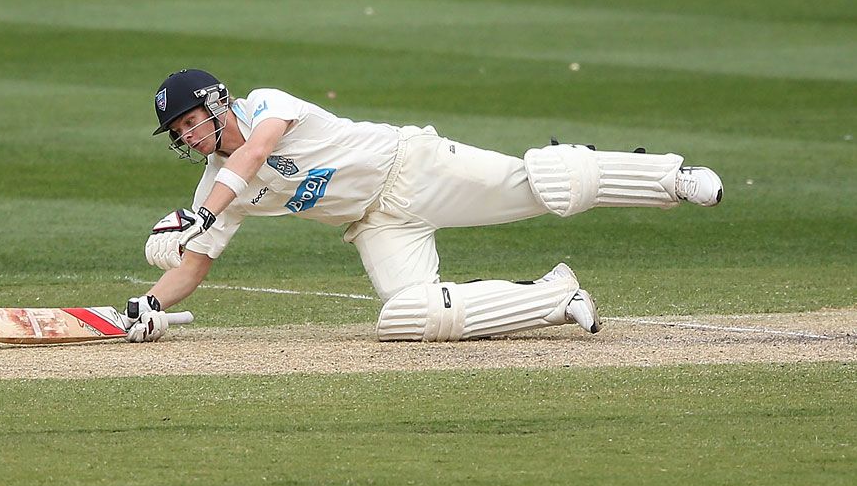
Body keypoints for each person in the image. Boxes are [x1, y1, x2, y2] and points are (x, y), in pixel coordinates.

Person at [122, 69, 723, 343]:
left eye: (189, 122)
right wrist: (149, 306)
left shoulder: (266, 105)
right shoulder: (213, 192)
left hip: (413, 166)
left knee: (543, 185)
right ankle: (554, 299)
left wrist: (206, 209)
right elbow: (196, 263)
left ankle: (671, 177)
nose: (186, 136)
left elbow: (255, 152)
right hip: (376, 223)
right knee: (408, 316)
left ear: (217, 103)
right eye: (176, 133)